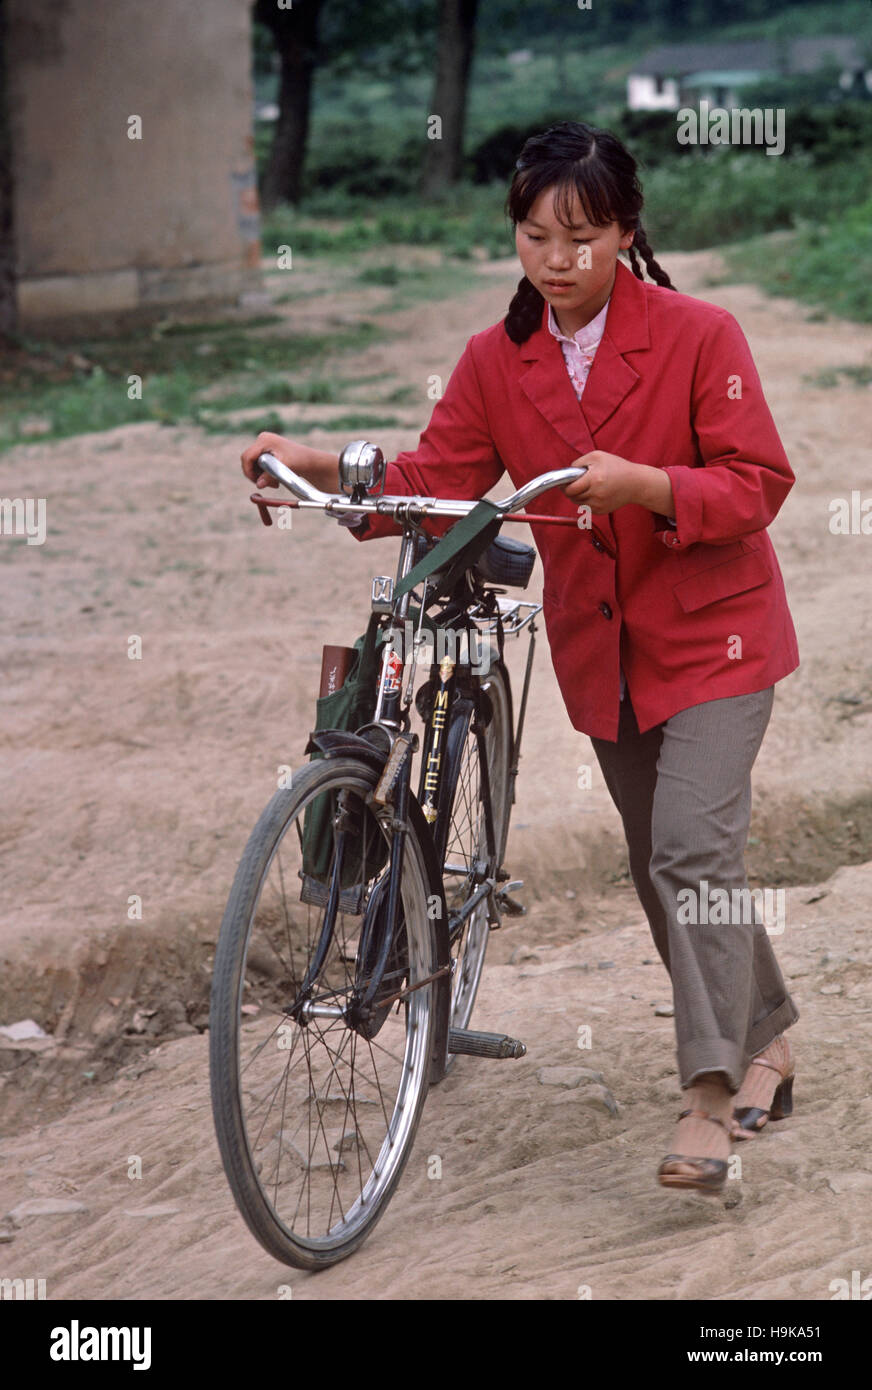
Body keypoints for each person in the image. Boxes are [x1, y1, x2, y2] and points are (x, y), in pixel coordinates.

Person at [241, 120, 799, 1193]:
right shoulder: (498, 363)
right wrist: (319, 463)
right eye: (535, 234)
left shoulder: (698, 334)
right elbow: (437, 477)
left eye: (580, 235)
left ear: (624, 233)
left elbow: (756, 482)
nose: (556, 257)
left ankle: (707, 1096)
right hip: (609, 659)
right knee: (669, 862)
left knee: (686, 848)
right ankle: (767, 1037)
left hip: (718, 640)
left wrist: (645, 484)